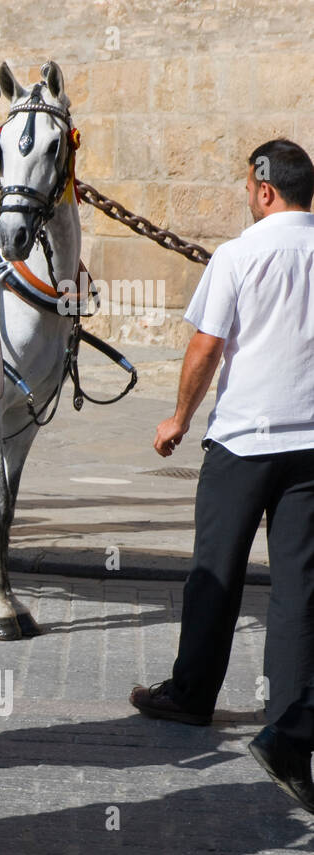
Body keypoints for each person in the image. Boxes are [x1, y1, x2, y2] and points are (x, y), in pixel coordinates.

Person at [131, 139, 314, 747]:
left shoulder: (239, 255)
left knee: (217, 569)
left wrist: (178, 418)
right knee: (297, 584)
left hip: (243, 439)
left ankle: (192, 696)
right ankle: (287, 718)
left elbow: (207, 345)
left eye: (246, 187)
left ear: (264, 188)